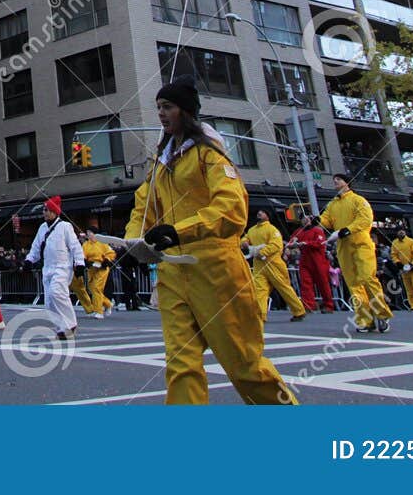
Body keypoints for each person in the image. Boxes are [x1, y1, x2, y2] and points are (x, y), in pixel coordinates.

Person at [123, 81, 296, 404]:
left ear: (186, 111)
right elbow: (142, 206)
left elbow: (231, 208)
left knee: (245, 365)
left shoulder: (210, 155)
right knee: (181, 365)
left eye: (168, 107)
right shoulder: (160, 162)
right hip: (173, 274)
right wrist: (134, 241)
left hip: (217, 272)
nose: (160, 113)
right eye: (158, 107)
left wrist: (180, 231)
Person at [319, 173, 392, 333]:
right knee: (354, 284)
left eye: (338, 179)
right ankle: (364, 319)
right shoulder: (333, 204)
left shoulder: (358, 200)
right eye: (334, 180)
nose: (335, 182)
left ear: (347, 183)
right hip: (343, 246)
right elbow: (326, 220)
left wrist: (347, 230)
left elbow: (365, 219)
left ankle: (381, 314)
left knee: (367, 278)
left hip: (361, 244)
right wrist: (316, 220)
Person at [25, 197, 84, 340]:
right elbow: (36, 247)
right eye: (44, 210)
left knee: (57, 293)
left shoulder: (65, 226)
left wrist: (80, 263)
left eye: (47, 210)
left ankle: (71, 324)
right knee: (49, 301)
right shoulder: (42, 228)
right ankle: (61, 328)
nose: (44, 213)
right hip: (47, 268)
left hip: (62, 266)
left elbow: (75, 245)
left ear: (54, 212)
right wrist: (29, 260)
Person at [244, 208, 305, 322]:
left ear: (268, 216)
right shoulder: (251, 230)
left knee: (283, 287)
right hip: (259, 264)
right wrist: (244, 242)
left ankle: (299, 311)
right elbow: (246, 238)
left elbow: (276, 245)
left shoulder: (272, 230)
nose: (259, 213)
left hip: (273, 263)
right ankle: (261, 315)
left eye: (263, 212)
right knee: (259, 290)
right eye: (259, 212)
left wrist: (262, 252)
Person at [289, 214, 335, 313]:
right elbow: (291, 242)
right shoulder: (298, 231)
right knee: (305, 283)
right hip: (305, 259)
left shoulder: (317, 230)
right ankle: (308, 305)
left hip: (318, 260)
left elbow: (320, 243)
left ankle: (329, 305)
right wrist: (293, 242)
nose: (305, 220)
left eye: (307, 218)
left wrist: (306, 243)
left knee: (323, 283)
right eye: (303, 218)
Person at [73, 227, 116, 320]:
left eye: (90, 232)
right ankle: (108, 303)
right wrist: (87, 263)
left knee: (97, 288)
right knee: (92, 288)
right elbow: (83, 256)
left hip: (102, 268)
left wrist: (106, 261)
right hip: (92, 268)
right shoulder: (85, 245)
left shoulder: (102, 243)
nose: (88, 234)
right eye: (87, 232)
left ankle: (99, 311)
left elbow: (111, 253)